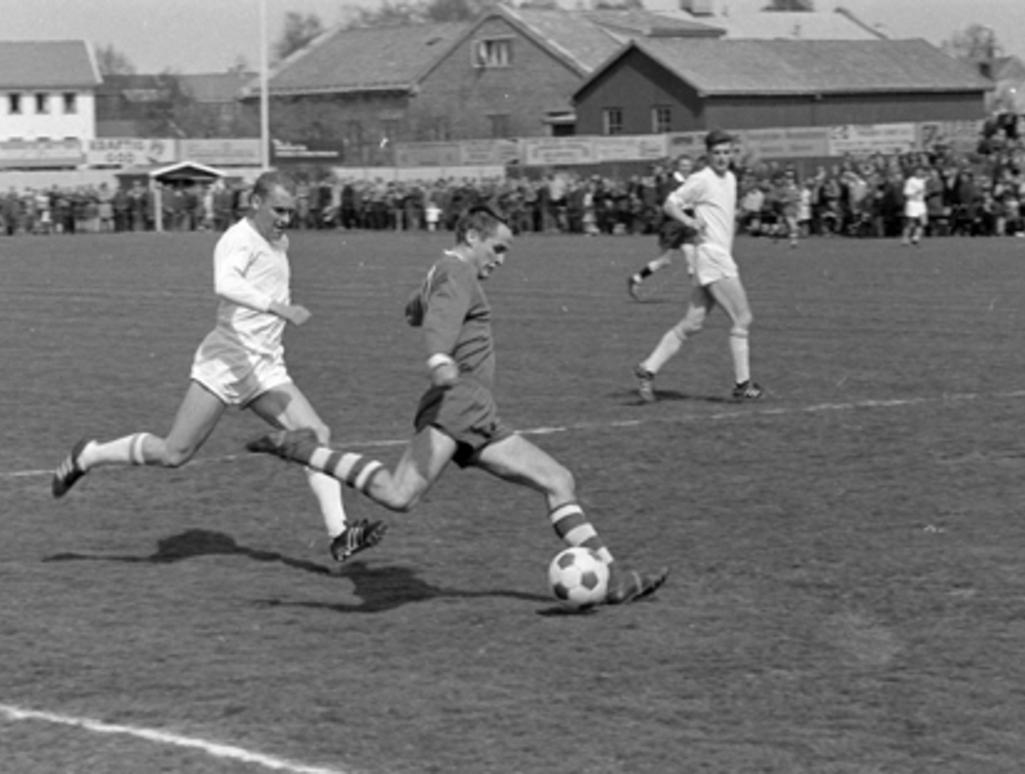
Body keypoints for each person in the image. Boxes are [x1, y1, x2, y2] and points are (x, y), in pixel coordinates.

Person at [246, 205, 667, 606]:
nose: (501, 259)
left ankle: (613, 576)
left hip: (479, 414)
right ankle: (302, 450)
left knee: (558, 480)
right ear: (471, 237)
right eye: (497, 248)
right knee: (399, 494)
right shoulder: (459, 271)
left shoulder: (443, 269)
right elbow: (440, 319)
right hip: (457, 407)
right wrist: (439, 357)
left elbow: (417, 310)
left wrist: (422, 312)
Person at [50, 171, 385, 562]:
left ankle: (340, 534)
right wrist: (277, 307)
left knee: (315, 434)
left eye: (290, 212)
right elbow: (225, 284)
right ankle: (89, 455)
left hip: (265, 367)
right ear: (255, 202)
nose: (285, 220)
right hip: (226, 362)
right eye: (278, 210)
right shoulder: (237, 240)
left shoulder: (279, 240)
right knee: (174, 453)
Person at [633, 129, 764, 404]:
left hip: (715, 256)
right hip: (713, 257)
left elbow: (723, 218)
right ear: (708, 155)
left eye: (726, 152)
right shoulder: (701, 179)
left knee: (692, 324)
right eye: (717, 153)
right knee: (743, 319)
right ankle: (743, 385)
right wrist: (689, 221)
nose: (722, 158)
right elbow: (670, 204)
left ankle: (648, 368)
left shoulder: (730, 178)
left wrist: (745, 211)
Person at [627, 155, 697, 300]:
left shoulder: (693, 181)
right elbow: (667, 204)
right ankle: (636, 278)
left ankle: (699, 295)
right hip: (672, 224)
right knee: (665, 261)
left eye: (688, 165)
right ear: (678, 167)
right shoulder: (669, 183)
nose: (686, 168)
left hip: (687, 223)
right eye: (683, 165)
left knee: (691, 258)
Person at [902, 166, 928, 246]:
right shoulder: (910, 181)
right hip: (912, 203)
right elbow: (906, 193)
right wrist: (916, 192)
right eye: (918, 171)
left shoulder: (923, 180)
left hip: (921, 203)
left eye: (921, 171)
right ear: (915, 172)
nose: (920, 173)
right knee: (910, 223)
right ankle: (905, 239)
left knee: (923, 222)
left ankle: (915, 238)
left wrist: (925, 193)